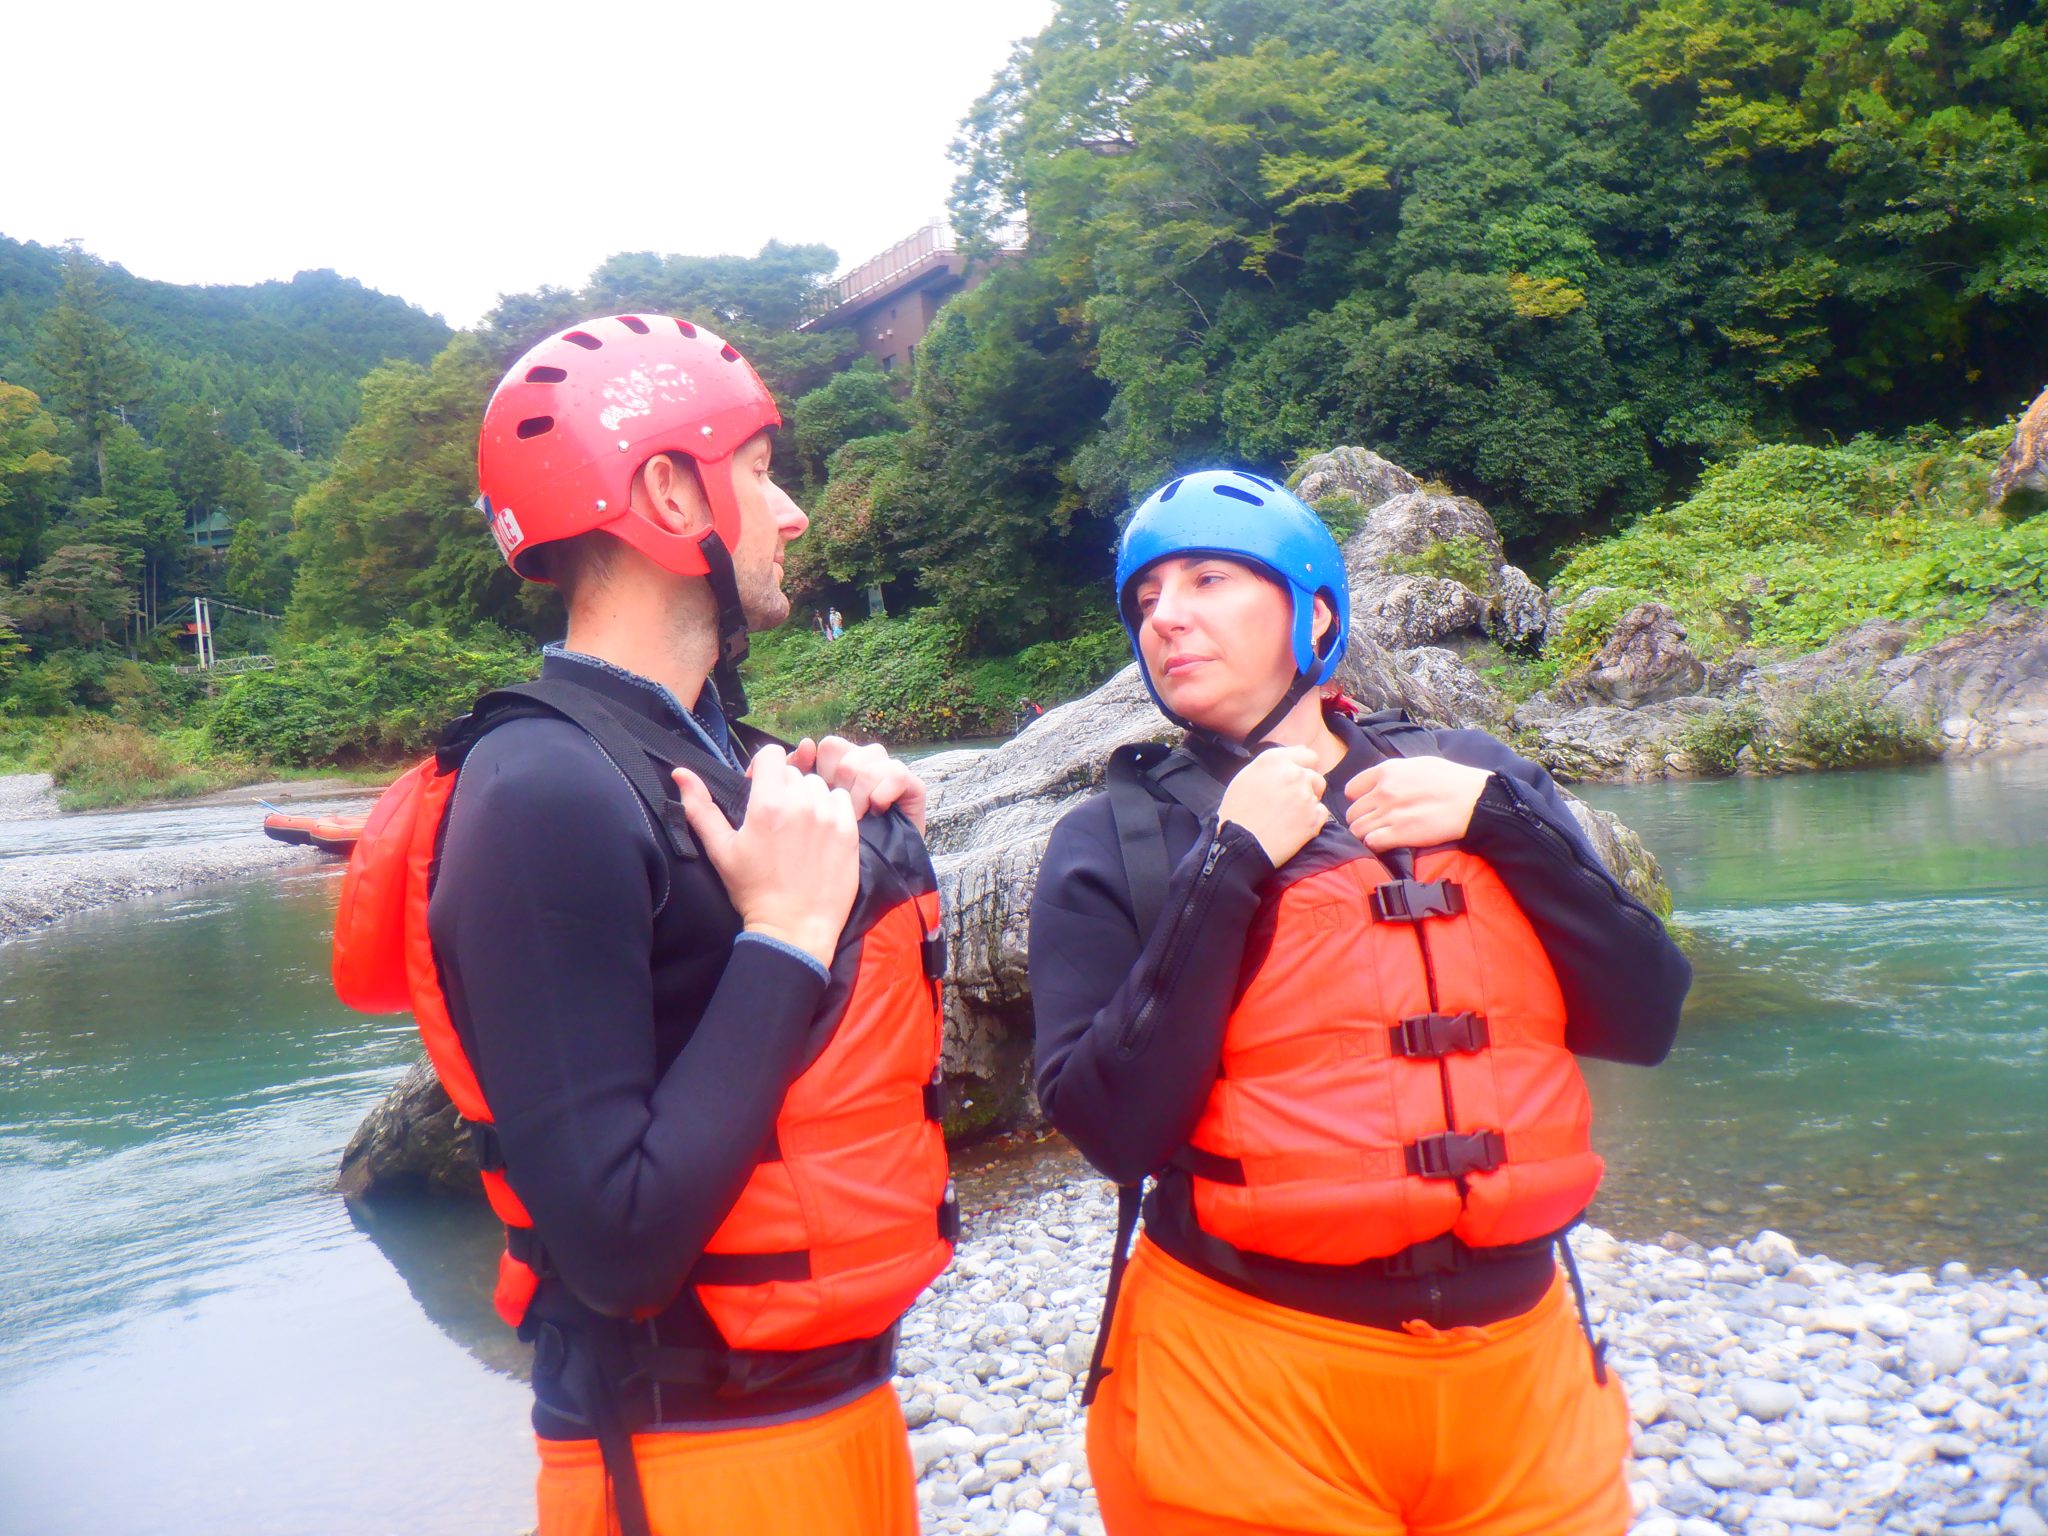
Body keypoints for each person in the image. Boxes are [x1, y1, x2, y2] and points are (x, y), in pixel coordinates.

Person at [342, 315, 954, 1536]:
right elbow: (616, 1245)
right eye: (761, 471)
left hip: (836, 1421)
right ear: (670, 493)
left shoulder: (717, 757)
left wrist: (855, 838)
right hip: (681, 1470)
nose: (791, 514)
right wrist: (787, 933)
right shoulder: (539, 789)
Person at [1028, 469, 1692, 1536]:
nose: (1166, 617)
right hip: (1246, 1372)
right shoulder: (1114, 836)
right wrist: (1227, 864)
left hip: (1520, 1369)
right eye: (1145, 599)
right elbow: (1111, 1128)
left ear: (1316, 614)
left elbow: (1644, 1017)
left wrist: (1505, 823)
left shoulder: (1469, 774)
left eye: (1207, 580)